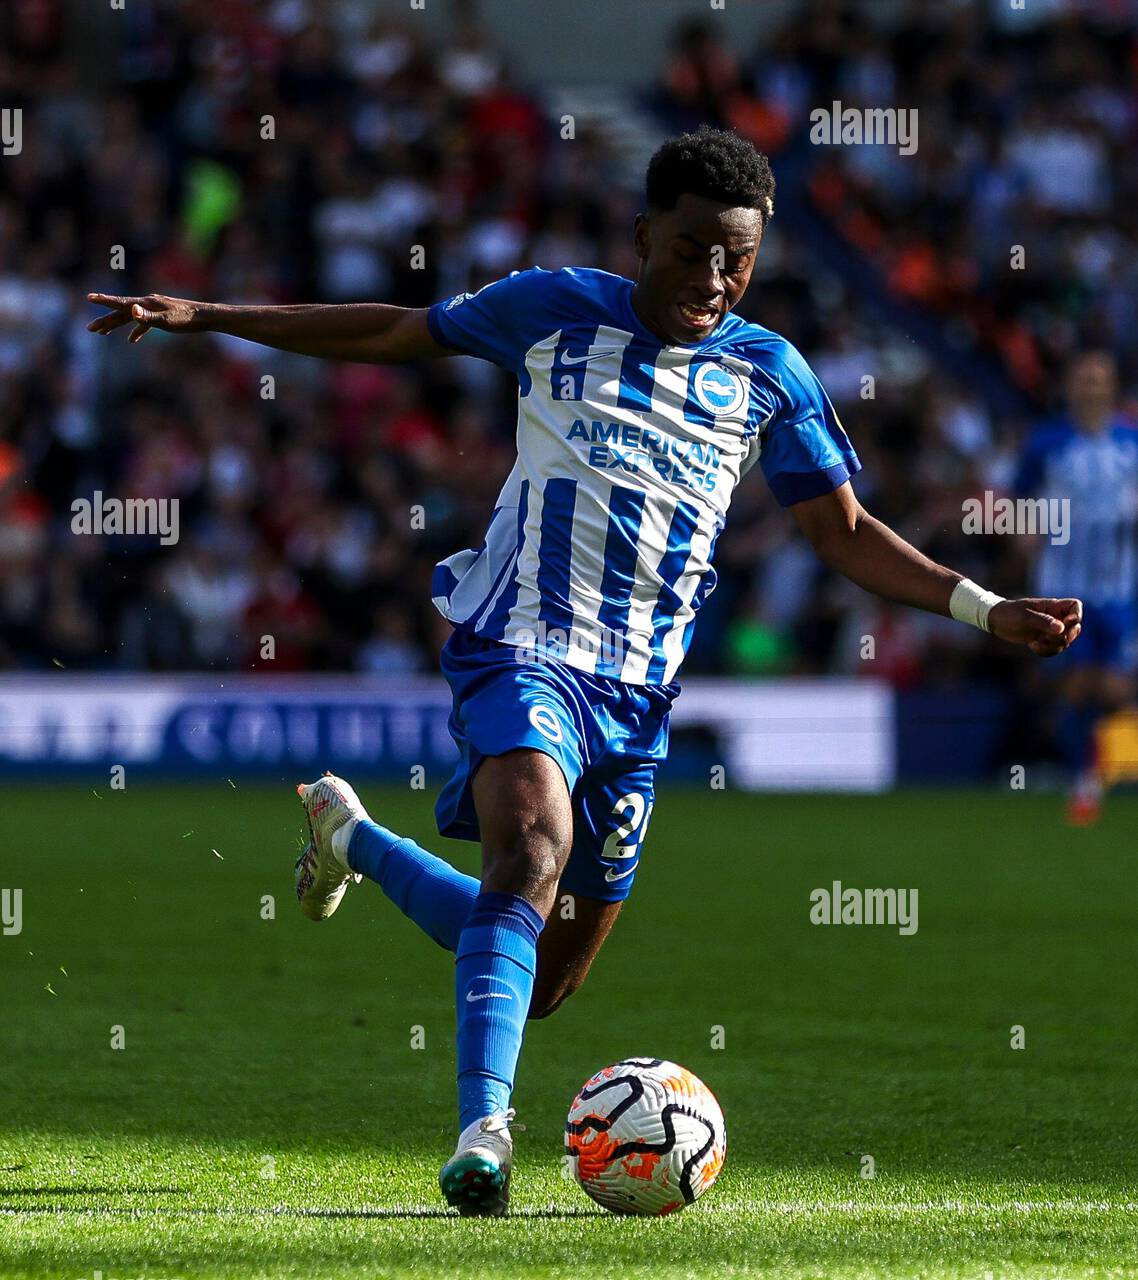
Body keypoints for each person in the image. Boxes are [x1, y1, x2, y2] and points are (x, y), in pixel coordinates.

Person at [88, 127, 1082, 1216]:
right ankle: (483, 1138)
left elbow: (842, 530)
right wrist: (208, 315)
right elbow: (395, 327)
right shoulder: (555, 305)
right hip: (518, 639)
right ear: (644, 233)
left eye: (736, 257)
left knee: (547, 974)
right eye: (692, 247)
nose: (712, 277)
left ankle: (352, 838)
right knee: (532, 848)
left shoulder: (768, 373)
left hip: (641, 699)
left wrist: (985, 608)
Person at [1015, 350, 1138, 823]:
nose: (1092, 388)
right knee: (1077, 687)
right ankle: (1086, 781)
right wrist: (1023, 530)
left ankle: (1094, 778)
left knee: (1115, 688)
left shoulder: (1130, 442)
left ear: (1111, 388)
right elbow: (1020, 497)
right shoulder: (1048, 443)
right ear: (1070, 387)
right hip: (1062, 584)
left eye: (1099, 380)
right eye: (1084, 379)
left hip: (1119, 585)